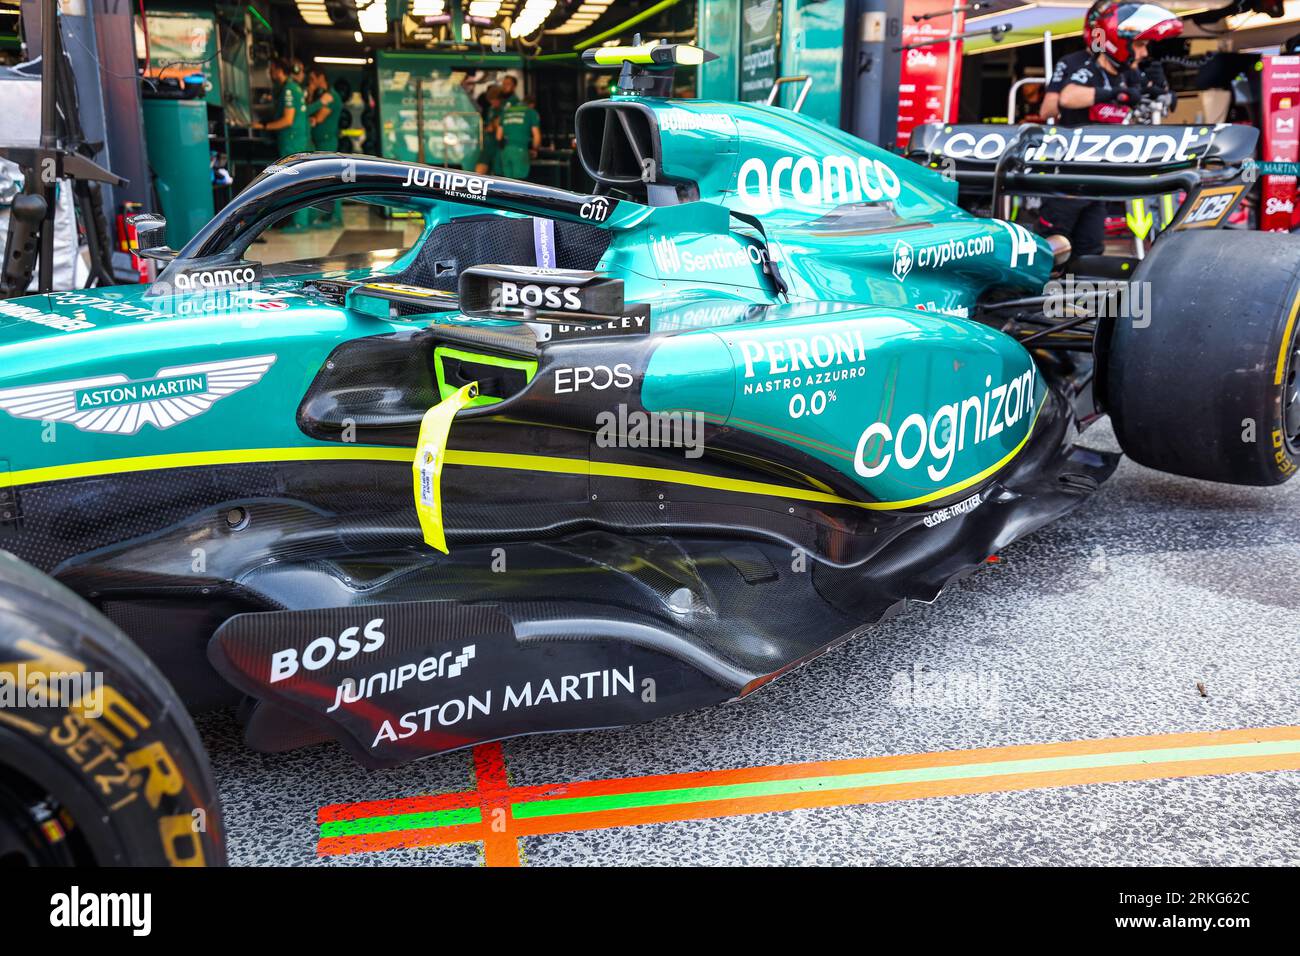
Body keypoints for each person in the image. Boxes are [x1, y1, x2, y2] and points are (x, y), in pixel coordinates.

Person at [1035, 2, 1181, 259]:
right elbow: (1059, 103)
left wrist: (1160, 88)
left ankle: (1077, 299)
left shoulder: (1129, 73)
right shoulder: (1080, 65)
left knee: (1091, 252)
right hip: (1068, 177)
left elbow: (1154, 106)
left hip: (1100, 178)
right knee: (1049, 251)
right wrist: (1113, 94)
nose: (1144, 52)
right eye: (1140, 44)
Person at [253, 57, 312, 233]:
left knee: (294, 181)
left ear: (278, 70)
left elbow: (287, 119)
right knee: (298, 180)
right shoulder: (294, 88)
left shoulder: (288, 90)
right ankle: (299, 221)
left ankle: (299, 223)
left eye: (271, 69)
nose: (270, 74)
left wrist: (262, 126)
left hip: (291, 141)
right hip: (296, 140)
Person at [305, 66, 343, 229]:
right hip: (319, 141)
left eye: (313, 79)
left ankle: (336, 217)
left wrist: (316, 104)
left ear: (321, 77)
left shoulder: (331, 96)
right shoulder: (321, 96)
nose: (311, 83)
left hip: (327, 142)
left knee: (333, 179)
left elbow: (317, 118)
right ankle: (328, 216)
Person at [496, 94, 541, 180]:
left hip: (505, 152)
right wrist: (535, 149)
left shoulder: (506, 112)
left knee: (507, 184)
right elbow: (536, 135)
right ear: (532, 104)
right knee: (520, 184)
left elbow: (498, 136)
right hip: (520, 151)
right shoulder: (530, 112)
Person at [475, 84, 503, 175]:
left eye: (495, 100)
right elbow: (488, 124)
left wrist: (494, 125)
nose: (493, 103)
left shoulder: (504, 109)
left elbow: (499, 124)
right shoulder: (490, 109)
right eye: (491, 100)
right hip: (488, 143)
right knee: (479, 169)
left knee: (498, 172)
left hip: (499, 145)